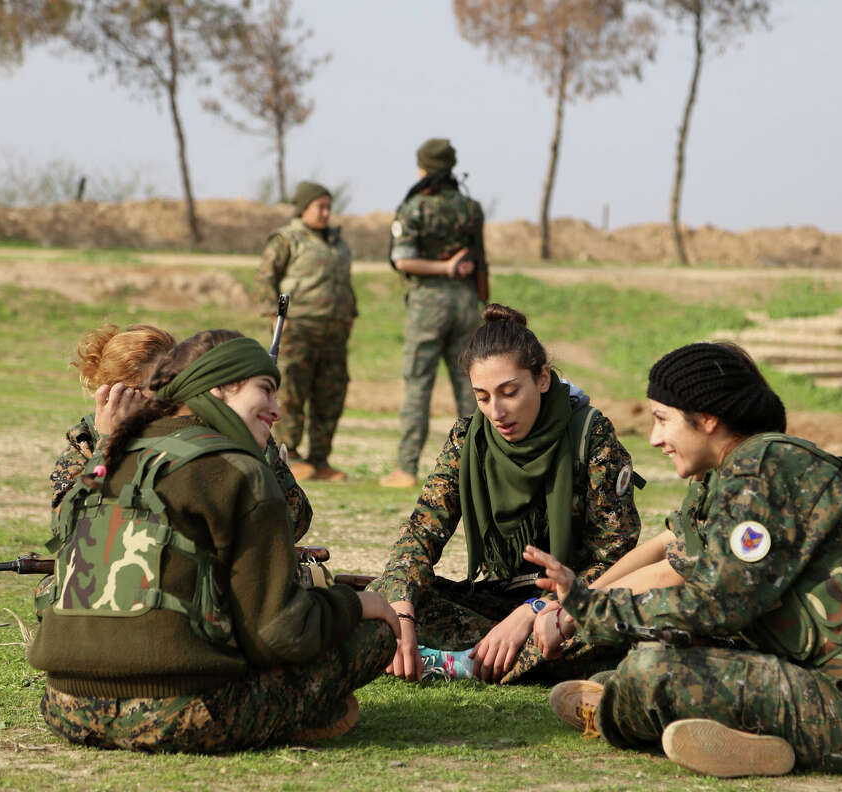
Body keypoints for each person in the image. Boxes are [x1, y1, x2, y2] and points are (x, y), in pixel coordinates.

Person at [524, 342, 842, 778]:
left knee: (652, 670)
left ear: (708, 419)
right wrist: (582, 604)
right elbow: (682, 564)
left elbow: (717, 604)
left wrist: (590, 608)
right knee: (659, 652)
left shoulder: (763, 472)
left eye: (662, 420)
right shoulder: (741, 471)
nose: (655, 438)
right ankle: (707, 727)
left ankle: (626, 710)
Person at [28, 330, 400, 752]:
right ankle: (302, 714)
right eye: (266, 390)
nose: (277, 411)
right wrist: (355, 604)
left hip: (65, 707)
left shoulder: (106, 455)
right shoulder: (238, 469)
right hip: (178, 715)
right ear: (221, 387)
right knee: (374, 632)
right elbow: (278, 635)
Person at [370, 304, 641, 685]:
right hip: (501, 603)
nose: (496, 412)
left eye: (509, 393)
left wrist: (536, 609)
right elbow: (418, 537)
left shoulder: (590, 436)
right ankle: (495, 657)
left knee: (610, 627)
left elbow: (617, 559)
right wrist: (402, 613)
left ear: (543, 378)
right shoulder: (468, 439)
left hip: (573, 603)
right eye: (482, 397)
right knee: (381, 594)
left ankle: (466, 660)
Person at [49, 323, 312, 539]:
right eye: (155, 390)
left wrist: (255, 444)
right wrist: (108, 446)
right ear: (115, 395)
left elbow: (293, 523)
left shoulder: (211, 430)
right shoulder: (89, 440)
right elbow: (69, 529)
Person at [379, 137, 487, 489]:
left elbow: (403, 260)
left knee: (418, 385)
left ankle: (406, 468)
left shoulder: (415, 208)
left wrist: (441, 270)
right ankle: (480, 466)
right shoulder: (470, 207)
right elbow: (481, 262)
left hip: (427, 305)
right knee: (471, 386)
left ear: (423, 167)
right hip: (467, 303)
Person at [257, 181, 355, 483]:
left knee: (330, 396)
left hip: (334, 335)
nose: (326, 213)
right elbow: (265, 280)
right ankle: (292, 456)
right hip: (298, 331)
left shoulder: (339, 243)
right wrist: (273, 320)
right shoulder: (287, 240)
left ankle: (320, 459)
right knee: (291, 395)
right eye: (319, 207)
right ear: (303, 208)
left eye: (329, 206)